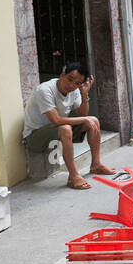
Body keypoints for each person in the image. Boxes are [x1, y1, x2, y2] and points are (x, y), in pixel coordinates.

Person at [22, 61, 117, 190]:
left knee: (93, 120)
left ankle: (96, 164)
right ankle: (73, 176)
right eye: (70, 79)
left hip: (56, 130)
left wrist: (84, 94)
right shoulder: (45, 90)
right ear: (62, 74)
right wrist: (85, 118)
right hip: (34, 137)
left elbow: (81, 113)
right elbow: (56, 120)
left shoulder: (75, 90)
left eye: (77, 83)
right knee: (66, 128)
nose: (72, 85)